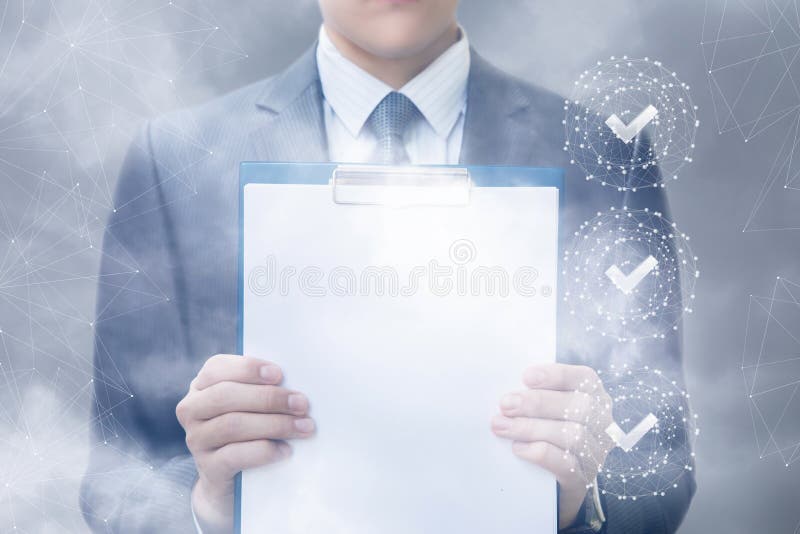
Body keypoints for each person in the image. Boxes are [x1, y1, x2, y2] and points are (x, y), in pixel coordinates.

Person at [80, 1, 695, 533]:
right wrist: (208, 505)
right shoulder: (176, 161)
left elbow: (660, 463)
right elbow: (117, 474)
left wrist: (579, 500)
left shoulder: (604, 157)